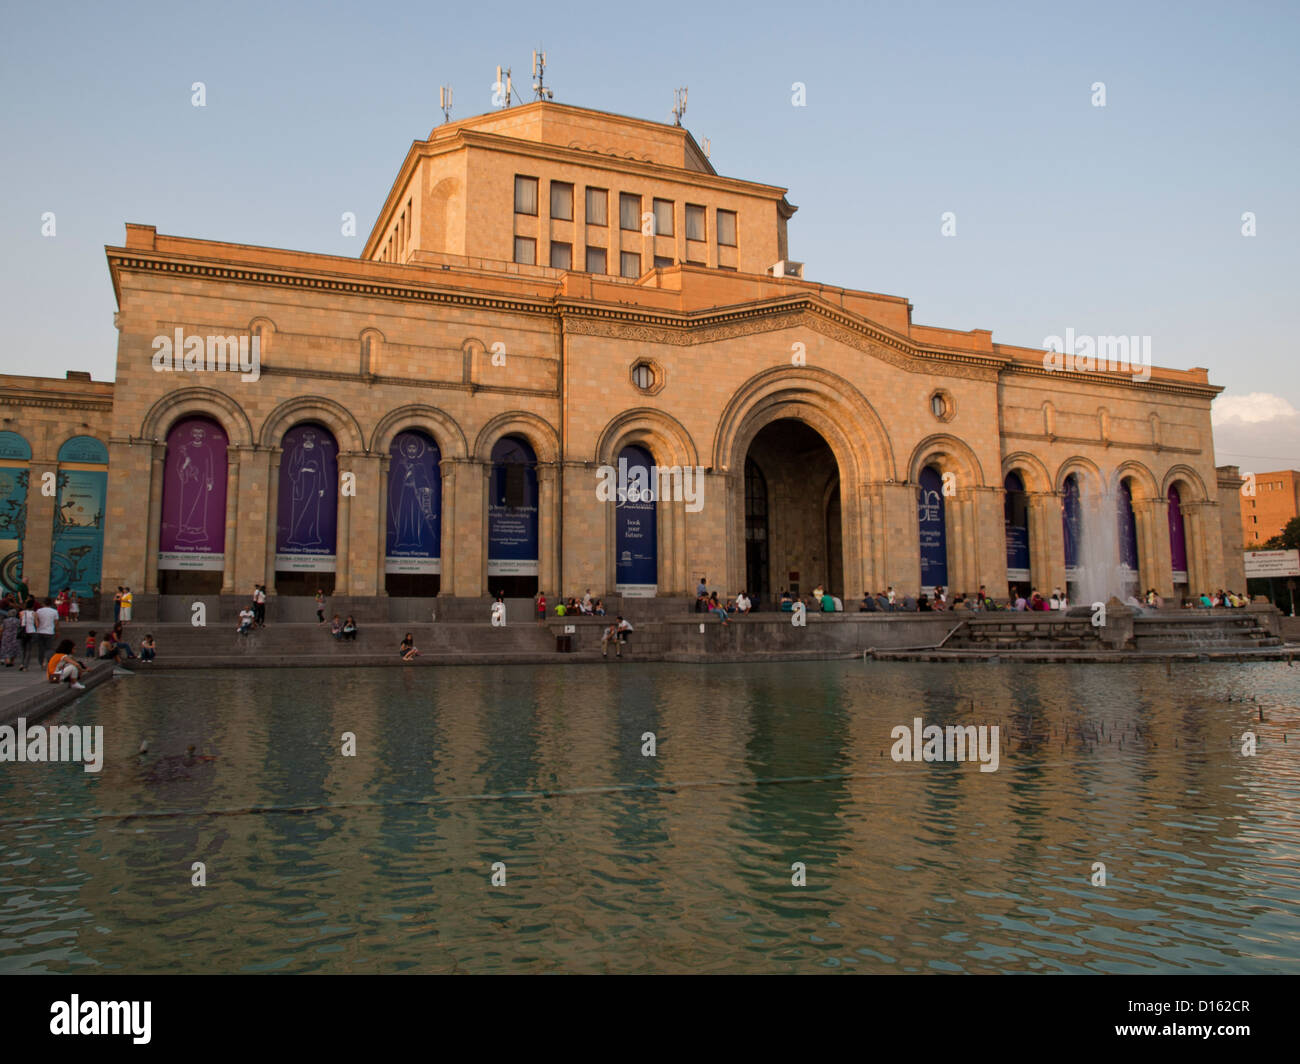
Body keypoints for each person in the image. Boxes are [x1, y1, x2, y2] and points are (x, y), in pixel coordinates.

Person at [35, 598, 58, 667]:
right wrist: (57, 631)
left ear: (43, 603)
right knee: (49, 648)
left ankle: (41, 662)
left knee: (41, 648)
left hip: (40, 631)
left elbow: (37, 621)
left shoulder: (39, 611)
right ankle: (48, 661)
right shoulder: (54, 611)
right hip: (50, 632)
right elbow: (56, 623)